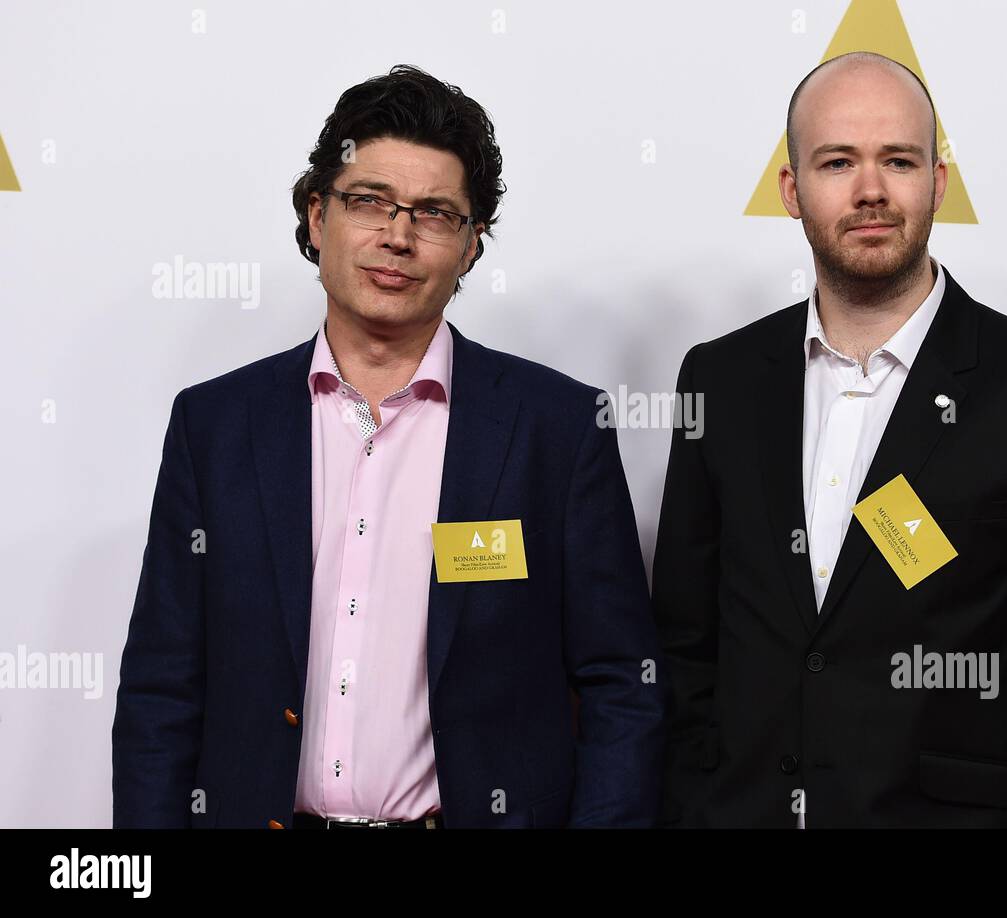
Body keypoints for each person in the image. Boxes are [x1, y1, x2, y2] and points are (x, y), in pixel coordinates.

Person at [112, 65, 666, 829]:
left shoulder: (557, 431)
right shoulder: (215, 427)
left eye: (435, 213)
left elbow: (621, 688)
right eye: (368, 201)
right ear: (316, 215)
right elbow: (161, 688)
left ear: (471, 247)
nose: (397, 236)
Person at [652, 52, 1007, 828]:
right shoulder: (720, 379)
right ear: (792, 189)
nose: (870, 190)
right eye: (838, 161)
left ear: (939, 183)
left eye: (899, 160)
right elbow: (684, 643)